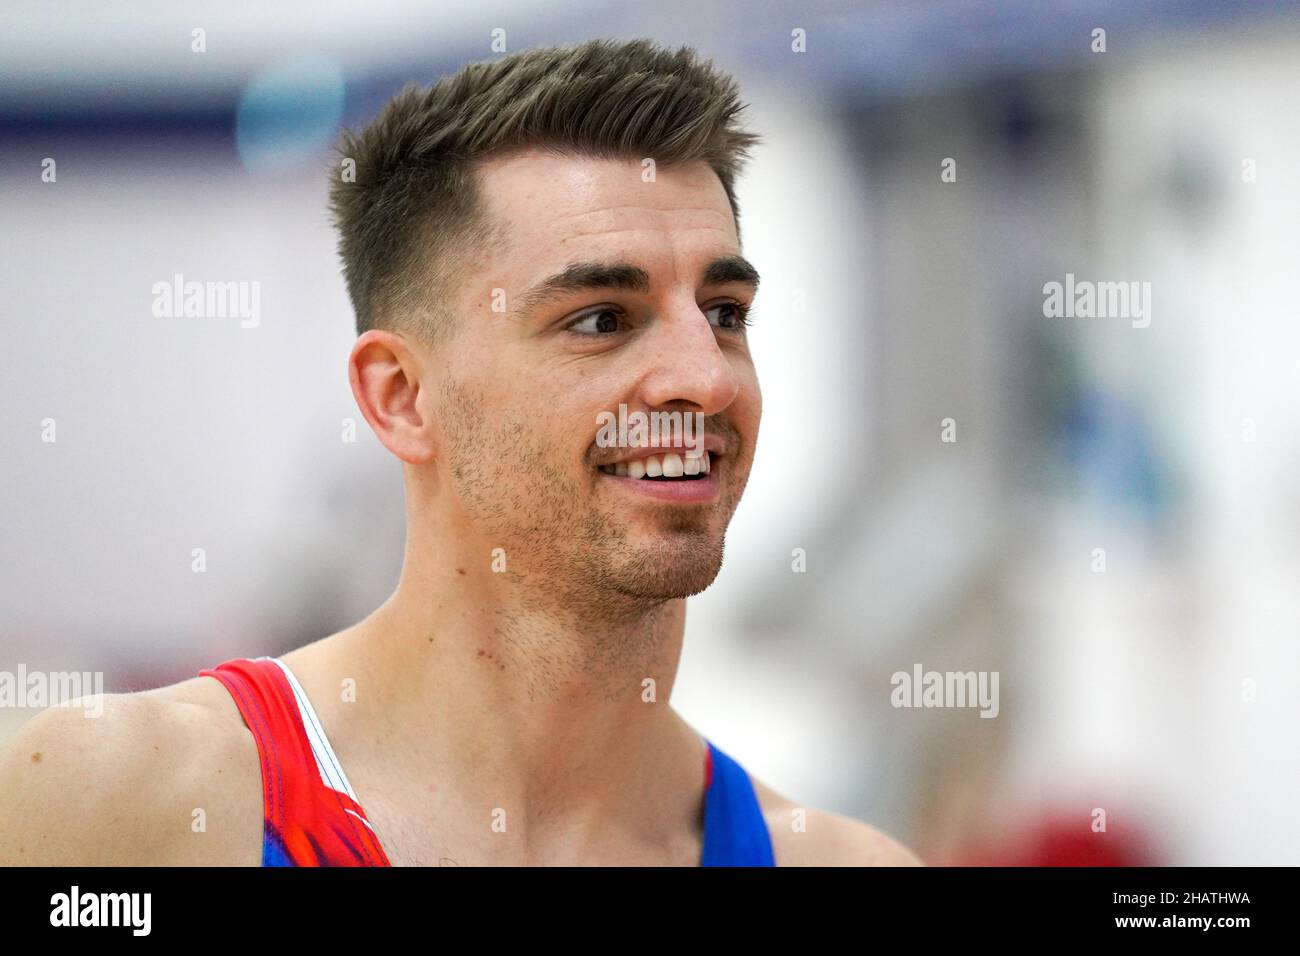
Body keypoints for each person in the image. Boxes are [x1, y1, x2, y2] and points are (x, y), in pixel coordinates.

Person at [0, 38, 922, 867]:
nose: (706, 381)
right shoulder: (129, 799)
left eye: (724, 314)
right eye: (601, 319)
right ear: (400, 398)